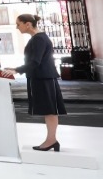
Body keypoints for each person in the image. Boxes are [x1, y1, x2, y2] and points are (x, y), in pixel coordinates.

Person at [5, 13, 65, 150]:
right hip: (43, 78)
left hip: (44, 78)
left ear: (27, 24)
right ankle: (51, 140)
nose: (17, 27)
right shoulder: (38, 38)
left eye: (18, 24)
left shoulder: (38, 39)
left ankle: (51, 140)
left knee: (50, 110)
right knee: (49, 110)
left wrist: (16, 70)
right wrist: (16, 69)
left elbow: (35, 62)